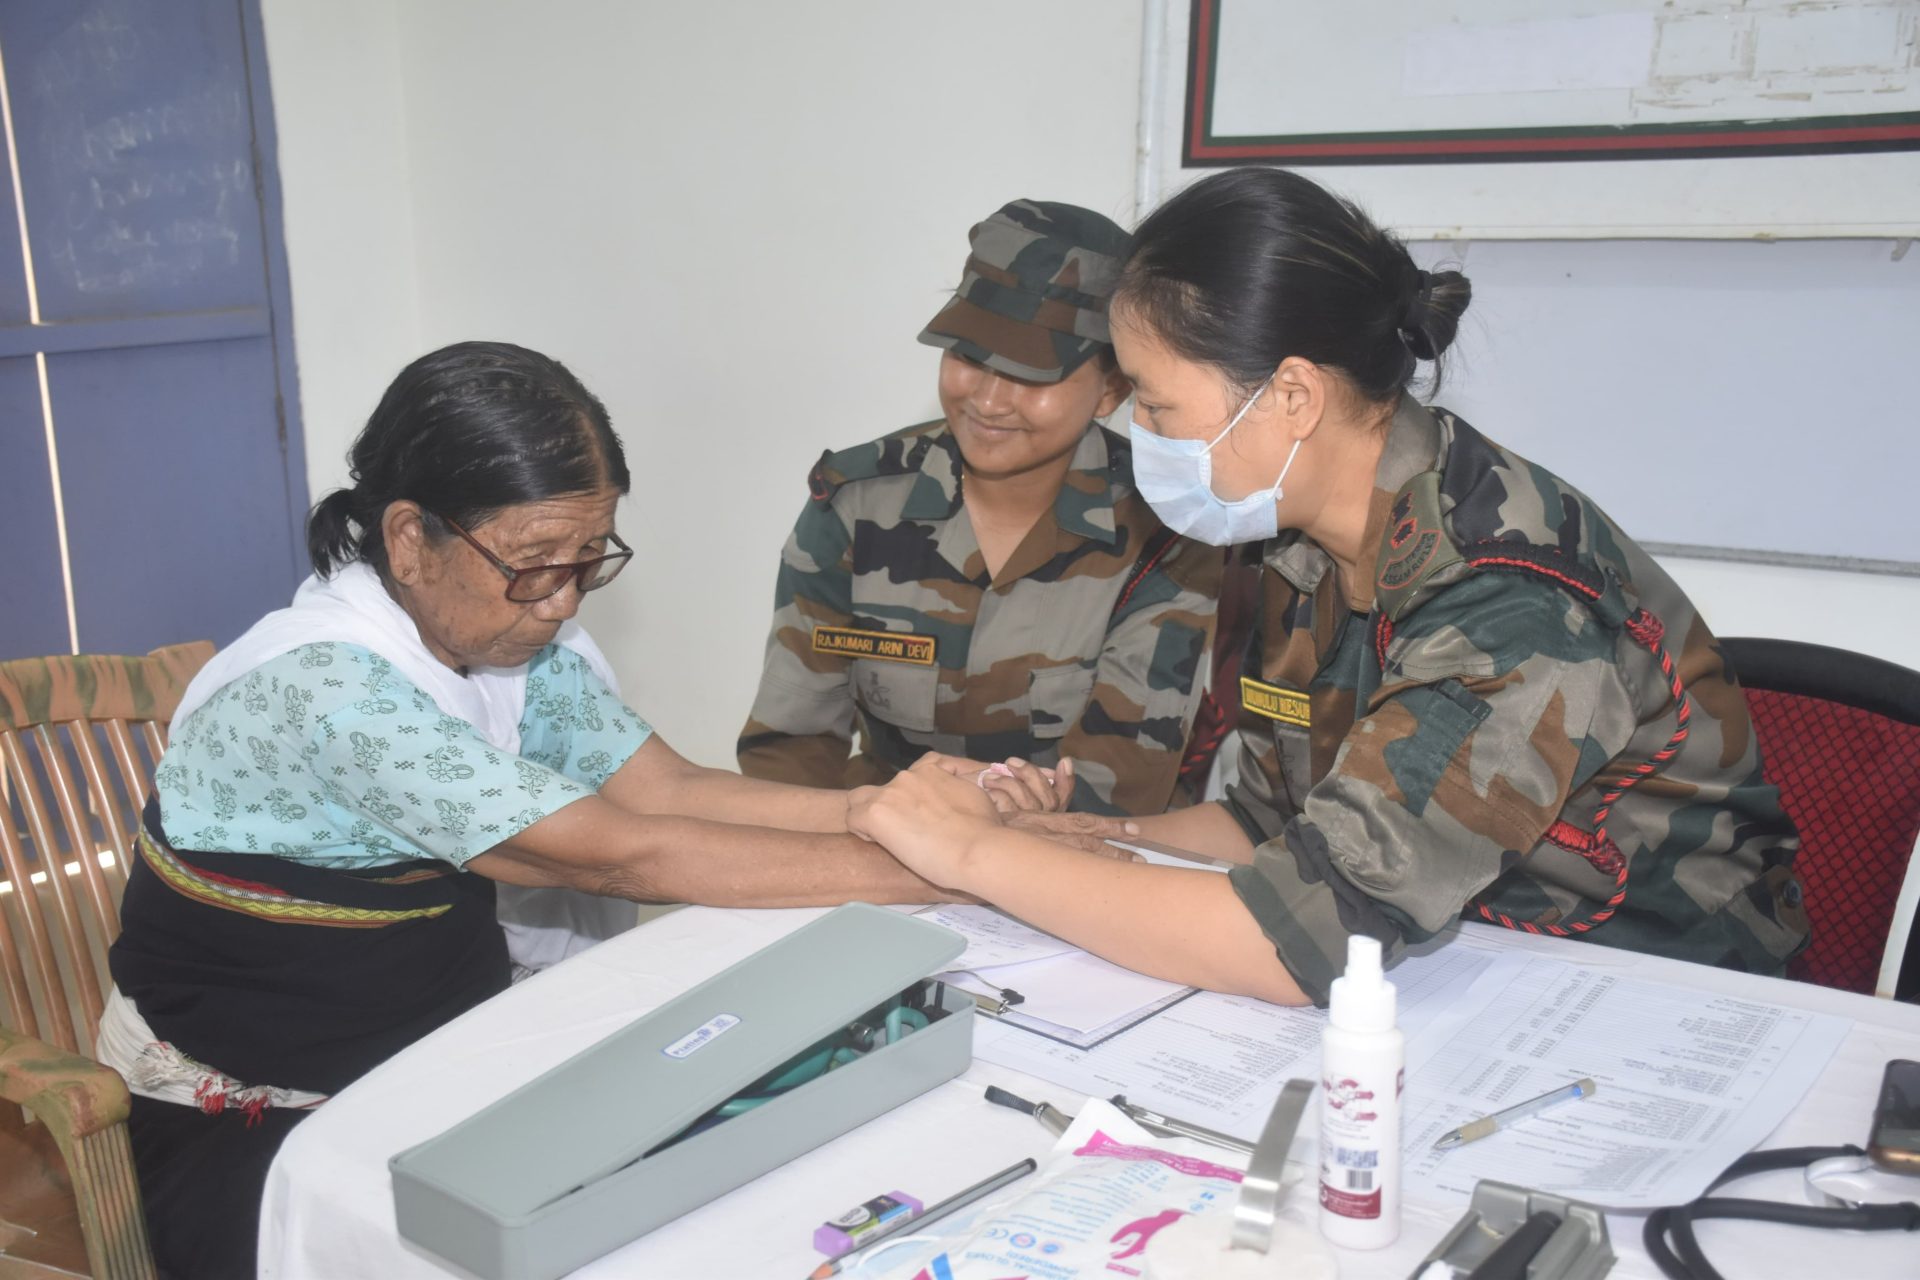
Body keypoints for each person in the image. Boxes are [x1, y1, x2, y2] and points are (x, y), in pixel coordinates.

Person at [848, 168, 1810, 1007]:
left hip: (1645, 989)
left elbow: (1301, 937)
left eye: (1156, 400)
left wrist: (970, 854)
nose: (1137, 429)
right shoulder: (1299, 537)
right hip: (1463, 961)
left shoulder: (1511, 600)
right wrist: (1081, 835)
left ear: (1294, 398)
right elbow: (1267, 821)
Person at [101, 342, 954, 1279]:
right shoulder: (328, 692)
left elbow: (670, 791)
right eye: (533, 562)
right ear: (408, 540)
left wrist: (898, 813)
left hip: (430, 1051)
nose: (559, 602)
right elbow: (621, 857)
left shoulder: (508, 642)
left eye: (588, 560)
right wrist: (955, 871)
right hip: (266, 1104)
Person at [737, 199, 1224, 817]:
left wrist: (973, 839)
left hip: (1073, 861)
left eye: (1032, 374)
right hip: (874, 837)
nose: (988, 400)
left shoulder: (1166, 532)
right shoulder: (857, 502)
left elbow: (1119, 784)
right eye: (969, 356)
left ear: (1111, 389)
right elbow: (792, 745)